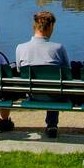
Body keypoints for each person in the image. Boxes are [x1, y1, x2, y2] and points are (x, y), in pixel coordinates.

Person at [15, 10, 69, 139]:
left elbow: (18, 70)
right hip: (54, 95)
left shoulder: (20, 48)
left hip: (32, 93)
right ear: (50, 27)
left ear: (34, 26)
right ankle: (52, 125)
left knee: (49, 82)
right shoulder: (58, 48)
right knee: (54, 84)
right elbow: (68, 72)